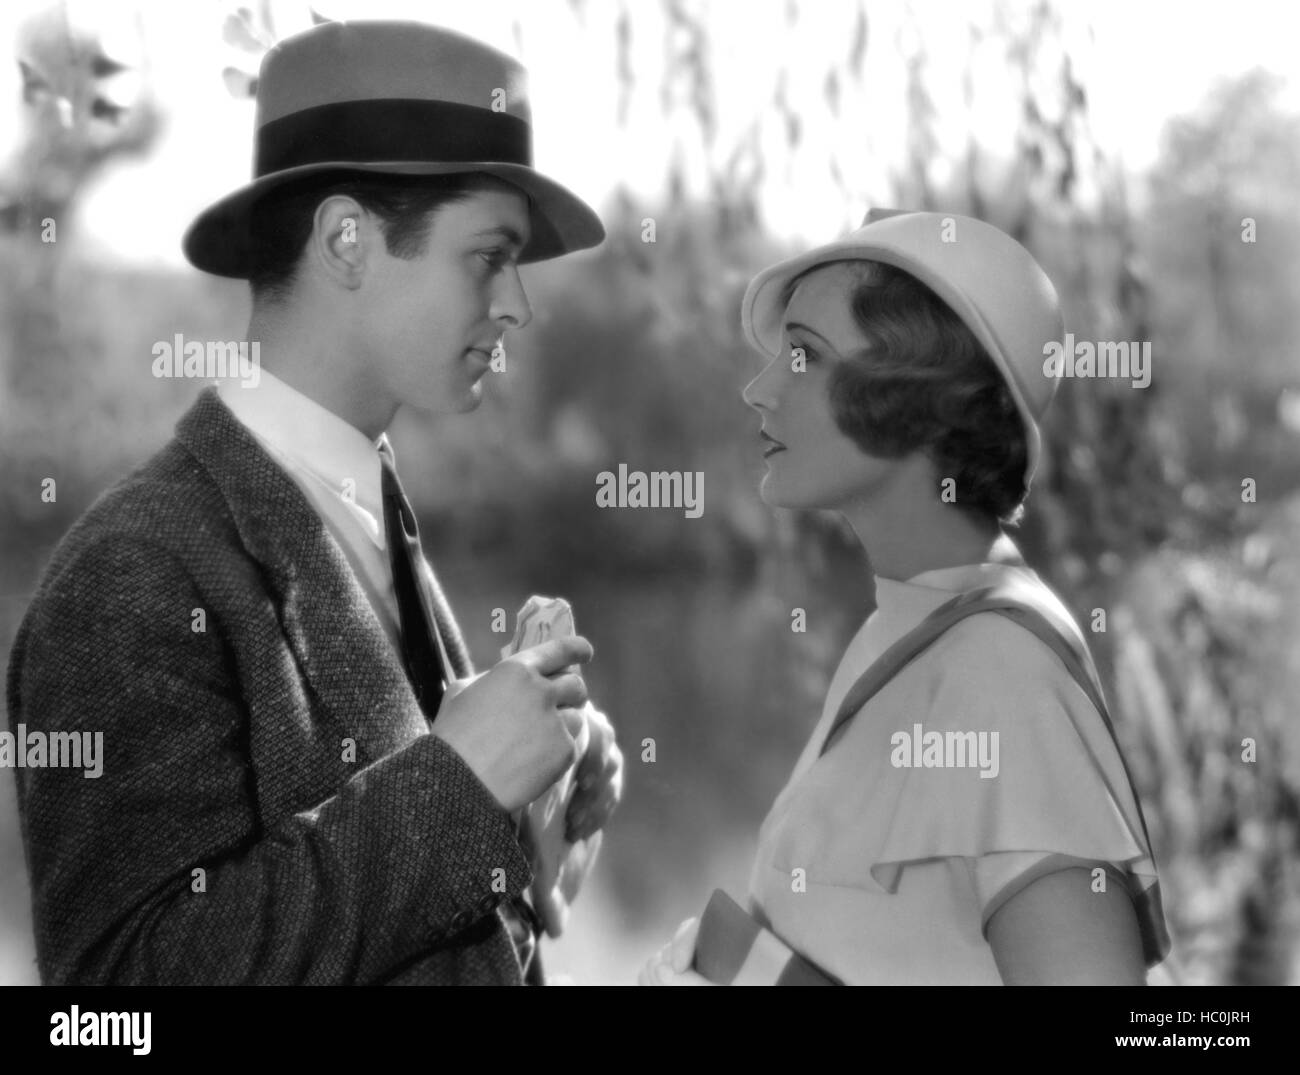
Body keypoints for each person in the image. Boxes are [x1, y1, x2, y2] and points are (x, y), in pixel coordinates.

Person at [6, 20, 623, 985]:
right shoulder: (132, 570)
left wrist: (533, 843)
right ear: (346, 239)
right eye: (488, 254)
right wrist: (459, 785)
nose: (517, 304)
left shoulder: (369, 509)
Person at [641, 209, 1170, 986]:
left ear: (925, 395)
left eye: (803, 355)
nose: (759, 389)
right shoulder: (908, 623)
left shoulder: (1001, 674)